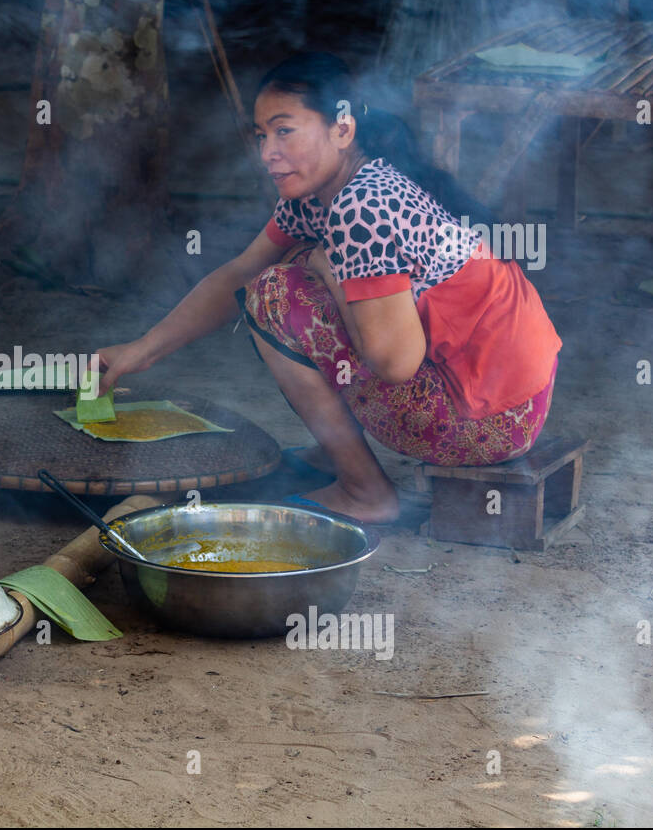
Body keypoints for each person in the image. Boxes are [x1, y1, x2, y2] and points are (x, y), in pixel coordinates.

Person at [94, 52, 561, 524]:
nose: (267, 152)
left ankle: (365, 492)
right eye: (261, 136)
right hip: (513, 401)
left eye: (284, 130)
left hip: (485, 422)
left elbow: (396, 364)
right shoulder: (326, 193)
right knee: (284, 272)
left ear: (342, 129)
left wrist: (332, 275)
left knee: (276, 294)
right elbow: (237, 272)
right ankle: (337, 450)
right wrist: (144, 350)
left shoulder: (363, 203)